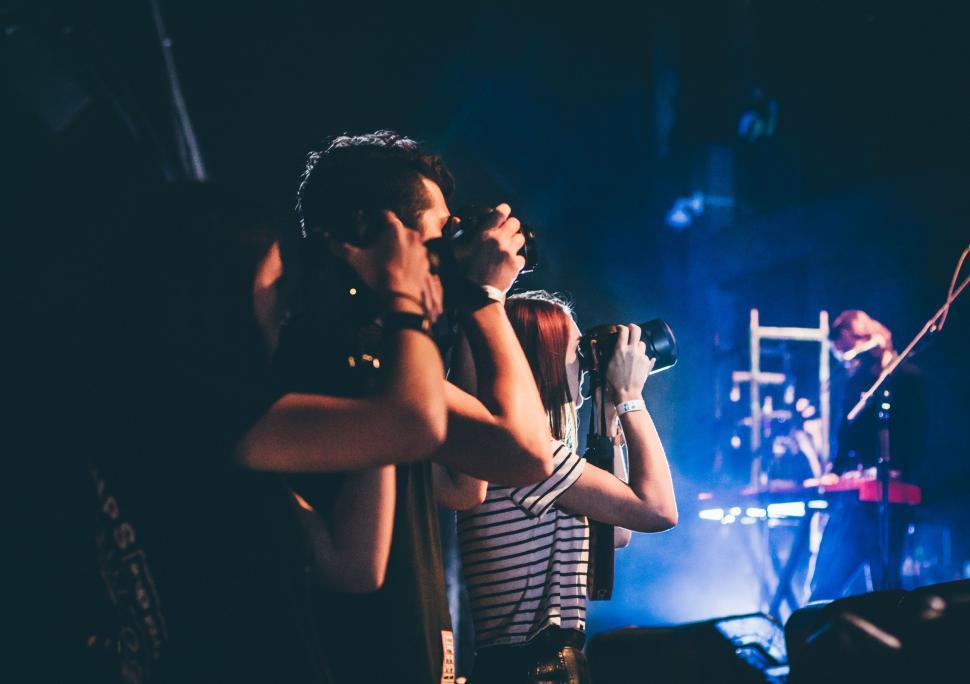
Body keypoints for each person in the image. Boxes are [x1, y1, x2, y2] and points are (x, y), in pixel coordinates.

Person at [269, 131, 554, 684]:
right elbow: (526, 455)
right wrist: (484, 299)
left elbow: (466, 486)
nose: (448, 253)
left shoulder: (377, 356)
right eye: (438, 236)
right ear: (375, 233)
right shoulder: (351, 357)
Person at [456, 291, 678, 684]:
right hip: (533, 668)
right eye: (577, 347)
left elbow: (616, 534)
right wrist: (630, 399)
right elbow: (658, 510)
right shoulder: (527, 458)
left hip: (523, 667)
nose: (588, 360)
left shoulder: (520, 454)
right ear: (542, 358)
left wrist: (609, 415)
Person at [809, 309, 927, 600]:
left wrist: (897, 468)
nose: (850, 360)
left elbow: (917, 434)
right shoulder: (857, 382)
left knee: (886, 583)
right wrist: (836, 471)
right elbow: (844, 432)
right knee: (825, 583)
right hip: (853, 500)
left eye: (850, 351)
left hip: (890, 497)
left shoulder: (906, 377)